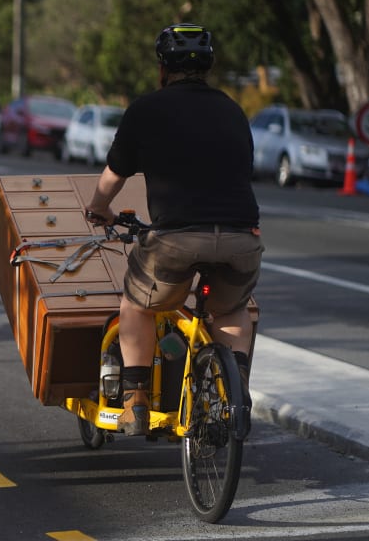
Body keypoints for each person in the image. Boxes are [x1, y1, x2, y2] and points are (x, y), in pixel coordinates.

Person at [83, 23, 263, 437]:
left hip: (177, 239)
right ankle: (234, 395)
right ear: (209, 67)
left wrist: (98, 209)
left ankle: (135, 403)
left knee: (137, 305)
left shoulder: (146, 110)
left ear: (163, 68)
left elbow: (113, 176)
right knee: (231, 309)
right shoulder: (233, 110)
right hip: (242, 236)